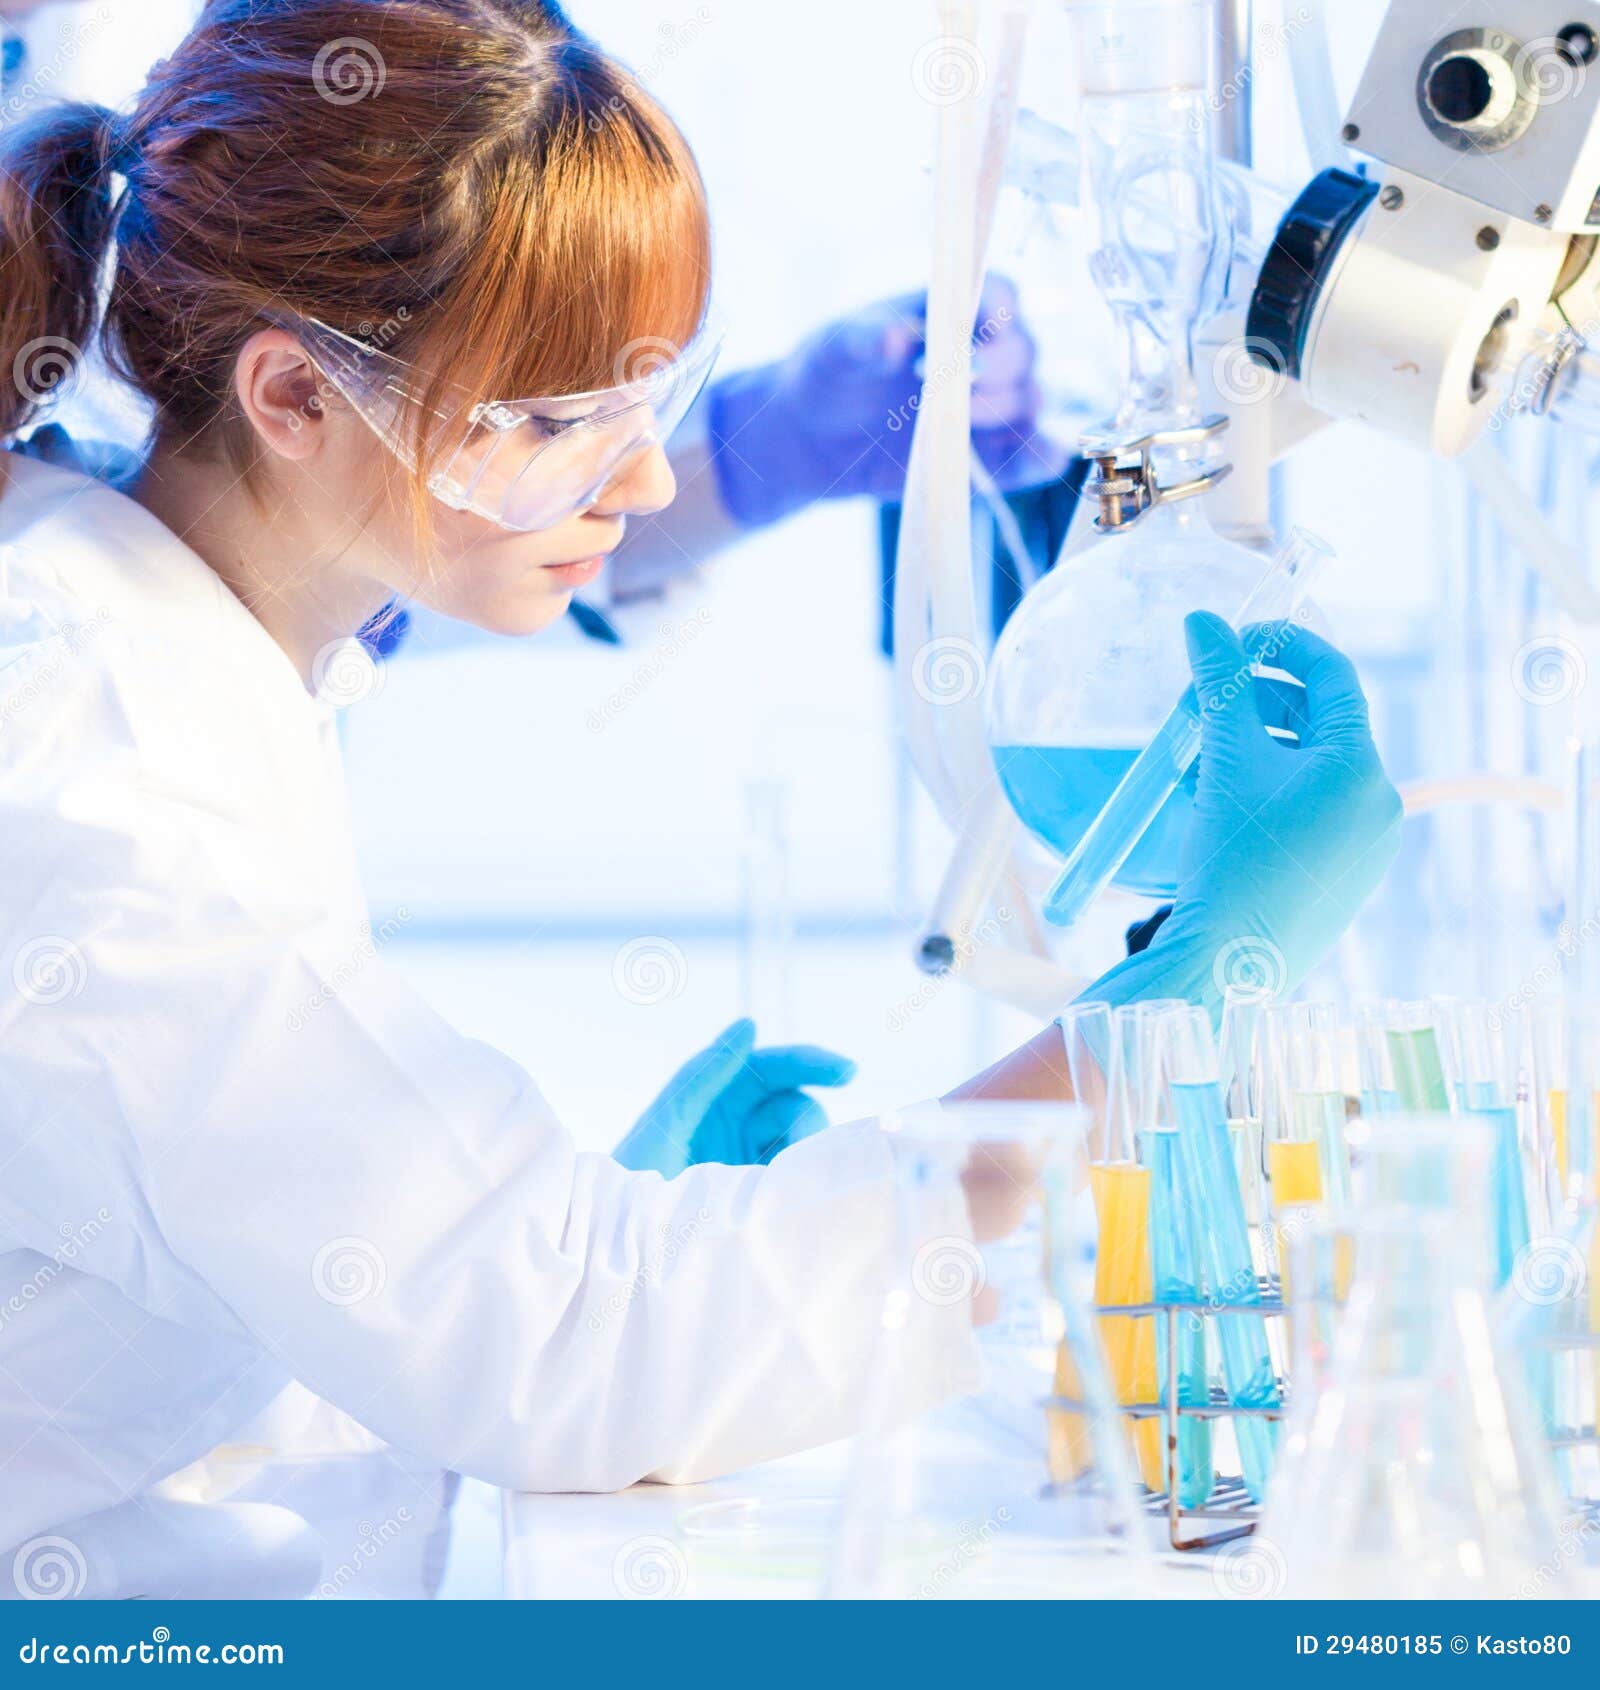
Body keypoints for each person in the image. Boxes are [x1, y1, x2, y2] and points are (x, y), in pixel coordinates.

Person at [0, 0, 1402, 1594]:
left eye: (654, 395)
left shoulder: (167, 636)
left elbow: (207, 1260)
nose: (650, 476)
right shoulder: (97, 790)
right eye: (553, 422)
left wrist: (521, 1222)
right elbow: (581, 1350)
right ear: (295, 399)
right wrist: (1172, 1006)